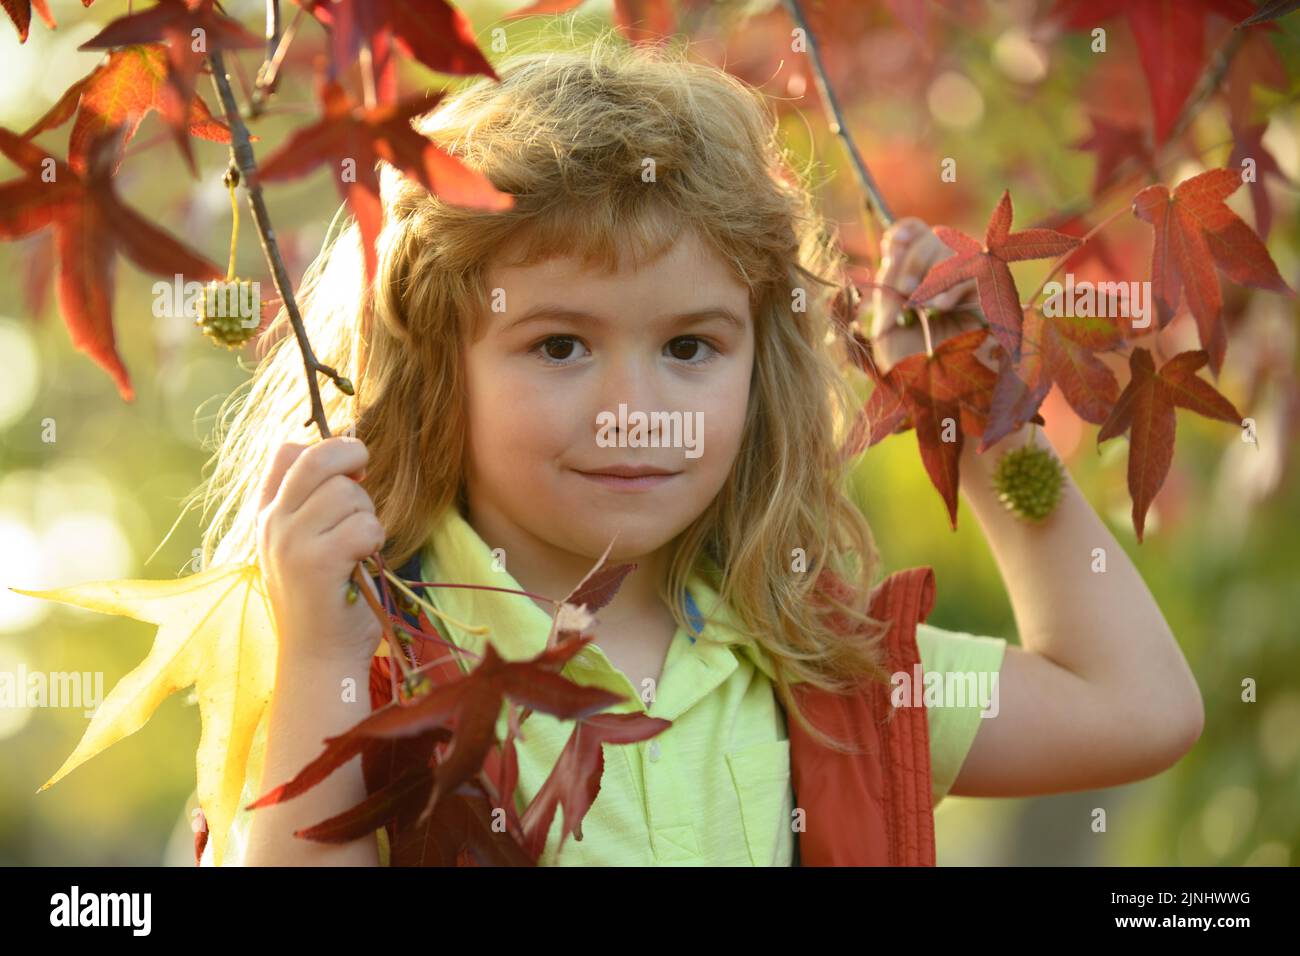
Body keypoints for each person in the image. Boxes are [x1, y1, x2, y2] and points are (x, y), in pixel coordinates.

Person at [196, 31, 1203, 866]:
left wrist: (982, 418)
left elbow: (1135, 706)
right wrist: (321, 660)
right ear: (433, 364)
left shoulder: (820, 665)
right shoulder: (378, 671)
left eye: (688, 346)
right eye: (559, 344)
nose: (634, 409)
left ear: (757, 371)